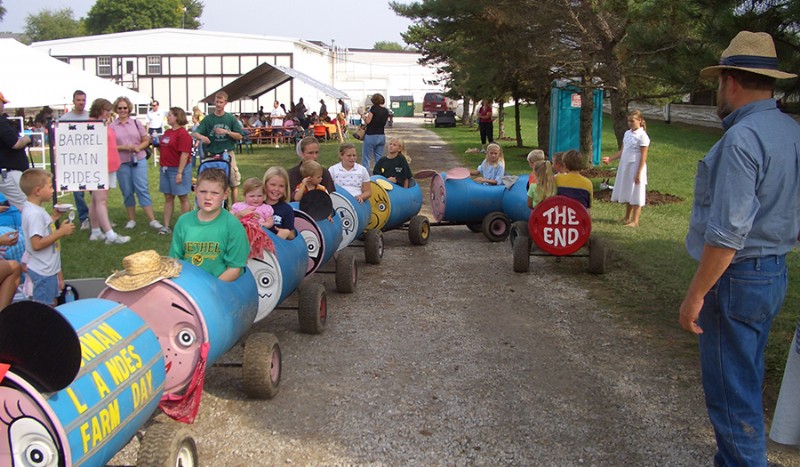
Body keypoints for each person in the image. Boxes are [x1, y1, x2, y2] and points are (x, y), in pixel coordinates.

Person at [678, 31, 800, 467]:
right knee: (745, 379)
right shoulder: (790, 131)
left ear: (730, 81)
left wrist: (695, 295)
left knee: (733, 398)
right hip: (773, 274)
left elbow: (728, 232)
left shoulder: (742, 139)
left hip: (738, 278)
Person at [169, 168, 249, 282]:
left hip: (220, 287)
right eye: (203, 191)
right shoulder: (184, 222)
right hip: (188, 284)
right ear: (195, 190)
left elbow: (235, 268)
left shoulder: (233, 226)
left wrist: (210, 289)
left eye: (215, 193)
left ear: (225, 194)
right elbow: (175, 261)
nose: (208, 197)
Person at [20, 168, 75, 305]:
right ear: (38, 191)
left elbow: (41, 229)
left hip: (46, 269)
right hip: (42, 270)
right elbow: (36, 244)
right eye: (50, 187)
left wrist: (54, 216)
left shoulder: (35, 209)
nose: (52, 190)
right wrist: (60, 232)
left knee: (52, 302)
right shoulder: (34, 214)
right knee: (44, 308)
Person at [111, 96, 163, 231]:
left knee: (142, 188)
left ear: (129, 109)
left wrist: (138, 148)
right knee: (127, 190)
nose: (122, 110)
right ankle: (131, 219)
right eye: (120, 108)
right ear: (116, 109)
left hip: (138, 159)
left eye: (125, 108)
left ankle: (152, 220)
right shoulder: (111, 126)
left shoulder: (136, 123)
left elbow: (146, 139)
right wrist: (124, 147)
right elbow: (110, 146)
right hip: (122, 162)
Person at [87, 98, 130, 245]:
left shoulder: (104, 123)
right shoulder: (92, 124)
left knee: (95, 200)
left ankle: (95, 231)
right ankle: (110, 234)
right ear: (100, 109)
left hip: (110, 165)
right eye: (107, 110)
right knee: (101, 200)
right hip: (100, 167)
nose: (109, 113)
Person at [192, 91, 244, 203]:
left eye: (221, 102)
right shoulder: (208, 119)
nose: (218, 104)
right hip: (211, 154)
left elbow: (239, 135)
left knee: (233, 182)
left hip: (227, 154)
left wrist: (227, 132)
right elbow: (195, 133)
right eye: (216, 102)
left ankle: (235, 209)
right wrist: (202, 137)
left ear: (225, 103)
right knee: (211, 182)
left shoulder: (230, 119)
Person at [606, 109, 650, 227]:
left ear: (639, 121)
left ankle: (635, 221)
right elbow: (622, 151)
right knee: (628, 190)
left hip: (636, 166)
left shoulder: (642, 136)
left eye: (633, 121)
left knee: (636, 192)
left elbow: (643, 155)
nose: (630, 123)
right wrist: (611, 158)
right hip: (626, 166)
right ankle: (627, 217)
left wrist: (638, 173)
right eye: (628, 121)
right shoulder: (627, 133)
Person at [158, 106, 193, 235]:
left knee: (183, 197)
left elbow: (184, 154)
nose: (168, 117)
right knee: (168, 197)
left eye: (170, 115)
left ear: (177, 117)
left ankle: (186, 226)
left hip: (177, 169)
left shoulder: (183, 134)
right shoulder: (168, 132)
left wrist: (179, 172)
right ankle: (166, 226)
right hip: (165, 169)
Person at [60, 90, 90, 230]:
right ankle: (84, 218)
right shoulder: (65, 118)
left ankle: (99, 217)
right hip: (74, 161)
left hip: (90, 159)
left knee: (96, 191)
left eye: (83, 100)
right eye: (78, 100)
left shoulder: (91, 116)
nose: (81, 103)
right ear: (73, 101)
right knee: (78, 192)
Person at [0, 91, 31, 211]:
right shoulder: (1, 122)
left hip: (6, 173)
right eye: (2, 103)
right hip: (10, 173)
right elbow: (15, 143)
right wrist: (26, 139)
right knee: (27, 207)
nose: (3, 106)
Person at [263, 166, 295, 240]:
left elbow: (292, 235)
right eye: (273, 185)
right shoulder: (255, 204)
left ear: (285, 188)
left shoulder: (286, 209)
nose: (276, 189)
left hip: (278, 247)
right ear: (265, 184)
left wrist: (286, 233)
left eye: (281, 186)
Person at [361, 93, 390, 170]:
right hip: (381, 135)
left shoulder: (373, 108)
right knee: (379, 159)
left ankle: (366, 177)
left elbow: (368, 121)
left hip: (371, 135)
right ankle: (378, 175)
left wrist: (362, 115)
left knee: (366, 158)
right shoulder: (385, 111)